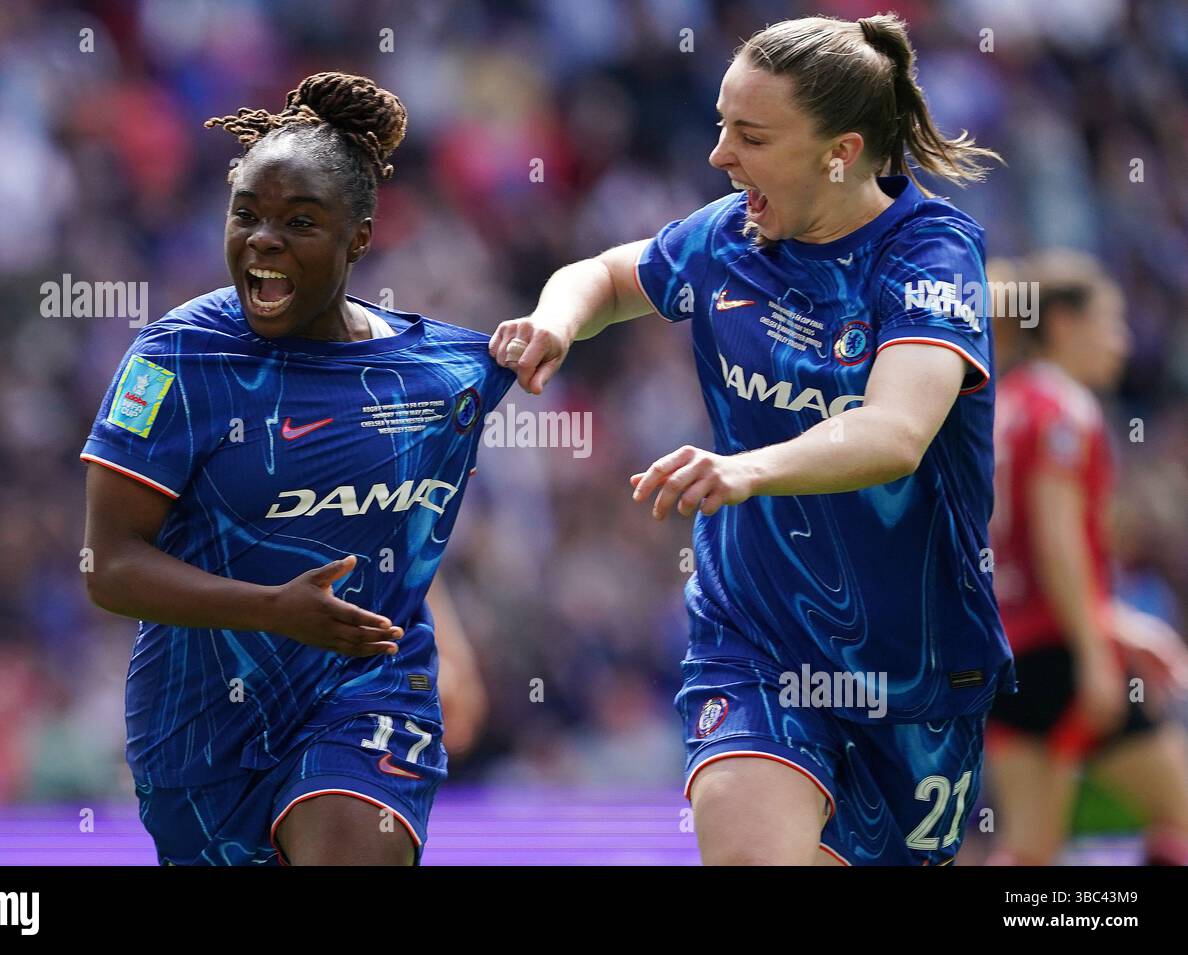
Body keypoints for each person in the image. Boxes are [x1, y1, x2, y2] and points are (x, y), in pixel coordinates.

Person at [492, 14, 1014, 865]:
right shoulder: (728, 235)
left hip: (916, 666)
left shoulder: (929, 258)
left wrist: (746, 469)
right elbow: (606, 274)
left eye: (751, 135)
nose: (720, 156)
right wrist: (557, 320)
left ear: (840, 152)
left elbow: (896, 433)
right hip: (756, 636)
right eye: (722, 125)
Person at [80, 72, 512, 865]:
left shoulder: (441, 374)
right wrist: (272, 609)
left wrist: (448, 641)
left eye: (299, 221)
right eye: (246, 214)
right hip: (200, 729)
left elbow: (394, 529)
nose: (263, 239)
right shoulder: (175, 362)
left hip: (369, 693)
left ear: (360, 238)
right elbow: (108, 567)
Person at [986, 250, 1188, 866]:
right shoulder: (1065, 410)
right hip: (1062, 651)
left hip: (1006, 654)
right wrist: (1099, 647)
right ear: (1066, 325)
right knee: (1180, 810)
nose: (1122, 343)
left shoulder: (1008, 406)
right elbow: (1057, 543)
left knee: (1029, 852)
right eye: (1111, 322)